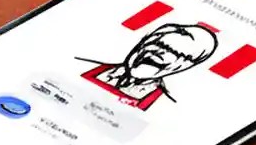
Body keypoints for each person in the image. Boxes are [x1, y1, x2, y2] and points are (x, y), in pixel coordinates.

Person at [76, 23, 218, 110]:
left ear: (185, 66)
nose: (157, 54)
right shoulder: (81, 64)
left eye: (174, 53)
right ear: (142, 43)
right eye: (158, 45)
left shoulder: (166, 106)